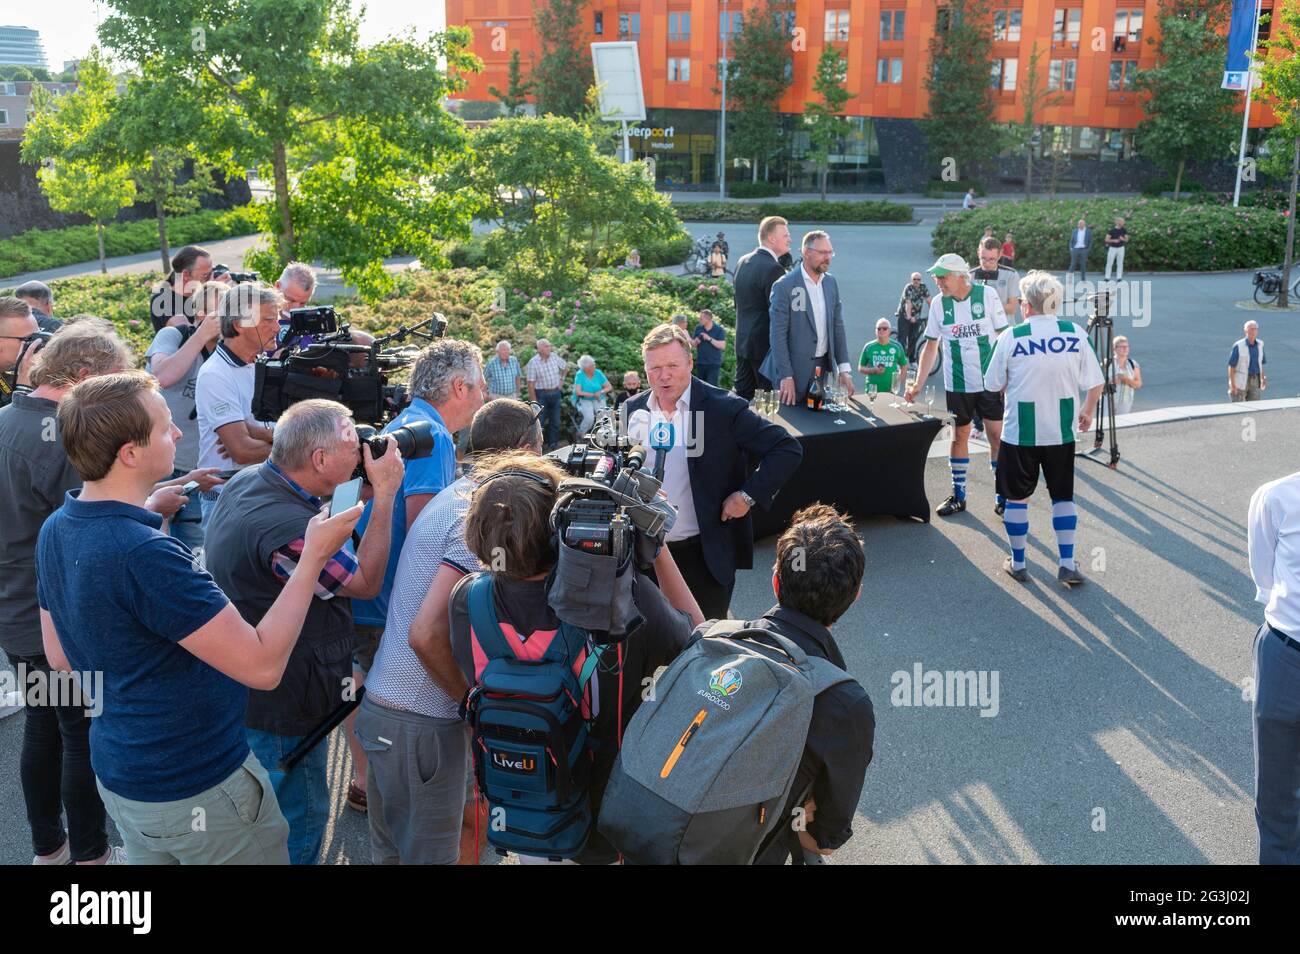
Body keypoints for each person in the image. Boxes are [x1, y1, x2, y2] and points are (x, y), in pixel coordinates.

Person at [37, 370, 365, 865]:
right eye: (166, 425)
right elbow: (261, 667)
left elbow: (61, 657)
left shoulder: (58, 527)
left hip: (124, 776)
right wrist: (314, 556)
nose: (176, 434)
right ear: (130, 453)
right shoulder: (147, 556)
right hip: (199, 785)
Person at [448, 451, 704, 864]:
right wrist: (651, 548)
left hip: (525, 805)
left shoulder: (467, 600)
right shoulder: (616, 598)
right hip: (601, 812)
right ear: (560, 528)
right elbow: (698, 637)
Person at [204, 399, 405, 864]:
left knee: (260, 816)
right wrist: (388, 494)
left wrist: (357, 491)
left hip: (245, 687)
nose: (363, 455)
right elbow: (365, 582)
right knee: (300, 820)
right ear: (318, 459)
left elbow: (317, 513)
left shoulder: (251, 481)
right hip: (287, 703)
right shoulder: (289, 529)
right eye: (353, 446)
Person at [357, 398, 546, 865]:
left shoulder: (458, 494)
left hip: (392, 711)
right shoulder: (479, 514)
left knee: (396, 854)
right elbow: (426, 634)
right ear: (524, 450)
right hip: (420, 721)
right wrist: (473, 703)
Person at [1, 325, 137, 866]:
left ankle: (49, 849)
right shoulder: (60, 438)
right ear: (83, 376)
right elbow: (91, 527)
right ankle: (91, 856)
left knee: (45, 726)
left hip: (15, 615)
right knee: (78, 734)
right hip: (53, 618)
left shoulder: (9, 420)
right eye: (112, 386)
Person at [348, 340, 484, 811]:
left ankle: (371, 788)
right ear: (459, 386)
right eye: (480, 384)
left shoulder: (406, 422)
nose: (484, 394)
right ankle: (398, 798)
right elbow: (428, 533)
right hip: (392, 600)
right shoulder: (433, 435)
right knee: (404, 700)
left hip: (371, 591)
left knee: (367, 683)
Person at [625, 323, 802, 619]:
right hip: (644, 556)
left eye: (672, 365)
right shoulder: (631, 410)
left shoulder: (724, 408)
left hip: (702, 556)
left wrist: (746, 497)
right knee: (649, 649)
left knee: (704, 646)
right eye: (654, 368)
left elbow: (786, 448)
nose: (663, 375)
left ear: (690, 363)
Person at [742, 503, 874, 865]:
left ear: (775, 582)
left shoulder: (716, 640)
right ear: (856, 594)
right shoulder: (843, 703)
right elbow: (822, 842)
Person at [983, 271, 1104, 587]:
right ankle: (1066, 564)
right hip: (1060, 432)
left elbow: (992, 383)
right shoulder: (1074, 333)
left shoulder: (1012, 336)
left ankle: (1019, 562)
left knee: (1016, 499)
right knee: (1062, 497)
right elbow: (1096, 381)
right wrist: (1087, 411)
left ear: (1026, 305)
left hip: (1019, 432)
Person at [904, 254, 1009, 517]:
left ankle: (1002, 492)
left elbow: (1005, 338)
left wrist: (1009, 377)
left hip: (990, 381)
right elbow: (931, 346)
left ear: (961, 276)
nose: (938, 281)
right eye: (936, 276)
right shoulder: (939, 304)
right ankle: (959, 494)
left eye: (943, 276)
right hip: (958, 383)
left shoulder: (987, 295)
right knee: (959, 435)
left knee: (996, 436)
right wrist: (918, 383)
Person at [144, 280, 226, 550]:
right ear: (199, 314)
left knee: (197, 551)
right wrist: (201, 336)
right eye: (216, 313)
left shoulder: (230, 351)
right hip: (162, 464)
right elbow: (163, 376)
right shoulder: (173, 336)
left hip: (200, 467)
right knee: (156, 543)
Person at [194, 282, 281, 531]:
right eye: (268, 320)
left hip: (261, 494)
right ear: (239, 324)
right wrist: (296, 448)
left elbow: (263, 437)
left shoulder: (261, 365)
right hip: (228, 501)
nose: (277, 328)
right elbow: (242, 451)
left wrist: (262, 434)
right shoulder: (215, 374)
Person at [1246, 468, 1300, 864]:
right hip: (1285, 653)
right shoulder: (1276, 497)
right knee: (1277, 800)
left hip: (1286, 651)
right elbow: (1263, 577)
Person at [763, 230, 856, 406]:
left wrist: (844, 370)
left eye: (830, 252)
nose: (828, 257)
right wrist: (786, 375)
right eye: (823, 253)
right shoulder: (784, 286)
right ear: (806, 252)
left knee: (819, 423)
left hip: (822, 370)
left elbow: (837, 327)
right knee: (793, 428)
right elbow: (777, 335)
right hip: (792, 372)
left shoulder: (830, 283)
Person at [732, 215, 790, 399]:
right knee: (767, 405)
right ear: (771, 238)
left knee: (742, 398)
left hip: (742, 343)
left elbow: (737, 304)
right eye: (786, 235)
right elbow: (778, 316)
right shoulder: (774, 269)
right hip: (763, 350)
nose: (790, 239)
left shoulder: (742, 261)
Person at [149, 245, 213, 330]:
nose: (210, 278)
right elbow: (185, 332)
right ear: (186, 275)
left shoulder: (199, 295)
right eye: (205, 275)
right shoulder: (163, 300)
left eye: (212, 272)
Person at [525, 338, 567, 449]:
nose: (549, 348)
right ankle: (538, 446)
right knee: (539, 422)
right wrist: (534, 402)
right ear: (539, 349)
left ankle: (553, 444)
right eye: (546, 346)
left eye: (549, 346)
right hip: (541, 395)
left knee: (556, 421)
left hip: (556, 393)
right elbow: (530, 384)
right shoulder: (533, 362)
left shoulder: (554, 357)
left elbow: (565, 367)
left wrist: (561, 380)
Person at [0, 297, 43, 406]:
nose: (37, 343)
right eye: (28, 339)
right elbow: (9, 423)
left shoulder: (15, 367)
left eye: (39, 334)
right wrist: (24, 388)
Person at [972, 236, 1021, 324]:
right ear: (978, 253)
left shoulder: (1010, 275)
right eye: (983, 258)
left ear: (1000, 255)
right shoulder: (970, 275)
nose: (987, 263)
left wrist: (983, 306)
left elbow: (1012, 309)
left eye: (992, 259)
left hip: (1004, 330)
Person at [859, 318, 908, 395]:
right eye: (879, 329)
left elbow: (904, 366)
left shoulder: (897, 346)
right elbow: (860, 368)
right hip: (872, 390)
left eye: (884, 328)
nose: (881, 331)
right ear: (875, 331)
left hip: (890, 392)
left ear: (889, 331)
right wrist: (873, 370)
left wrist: (897, 384)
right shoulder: (869, 347)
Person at [572, 354, 612, 436]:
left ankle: (605, 436)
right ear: (586, 368)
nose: (594, 366)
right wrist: (593, 394)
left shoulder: (598, 373)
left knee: (604, 417)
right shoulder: (580, 375)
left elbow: (609, 387)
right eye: (592, 365)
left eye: (594, 364)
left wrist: (600, 392)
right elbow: (578, 392)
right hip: (583, 399)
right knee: (589, 418)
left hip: (599, 398)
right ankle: (581, 434)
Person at [896, 272, 931, 365]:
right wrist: (909, 317)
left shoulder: (923, 287)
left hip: (916, 317)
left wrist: (934, 313)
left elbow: (928, 300)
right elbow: (908, 303)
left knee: (913, 338)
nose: (916, 281)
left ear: (921, 280)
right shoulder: (908, 288)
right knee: (902, 339)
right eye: (914, 279)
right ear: (911, 280)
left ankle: (912, 361)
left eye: (918, 279)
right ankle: (900, 362)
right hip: (904, 315)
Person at [1229, 321, 1267, 402]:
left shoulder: (1260, 344)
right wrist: (1232, 385)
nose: (1253, 331)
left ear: (1257, 331)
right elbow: (1231, 366)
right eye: (1250, 329)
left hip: (1255, 380)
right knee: (1238, 405)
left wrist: (1263, 378)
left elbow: (1260, 363)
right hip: (1240, 380)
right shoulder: (1238, 345)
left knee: (1254, 405)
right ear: (1245, 331)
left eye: (1255, 329)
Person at [692, 308, 727, 386]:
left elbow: (722, 345)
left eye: (701, 318)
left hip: (713, 363)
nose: (699, 320)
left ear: (708, 319)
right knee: (700, 387)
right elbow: (693, 344)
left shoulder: (719, 329)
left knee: (711, 387)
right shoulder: (698, 328)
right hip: (700, 362)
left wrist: (709, 339)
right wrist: (696, 341)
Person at [1110, 335, 1141, 415]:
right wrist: (1113, 380)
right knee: (1106, 423)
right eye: (1122, 346)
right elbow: (1099, 383)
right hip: (1108, 401)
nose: (1125, 349)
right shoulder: (1108, 363)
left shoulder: (1133, 364)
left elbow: (1138, 384)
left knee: (1121, 425)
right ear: (1114, 348)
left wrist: (1125, 379)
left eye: (1127, 346)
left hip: (1126, 402)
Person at [1067, 218, 1092, 283]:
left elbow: (1090, 241)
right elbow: (1071, 241)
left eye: (1081, 224)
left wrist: (1087, 250)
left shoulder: (1088, 231)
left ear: (1084, 224)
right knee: (1073, 264)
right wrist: (1071, 248)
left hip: (1084, 250)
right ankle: (1069, 280)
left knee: (1083, 265)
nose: (1079, 225)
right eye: (1079, 224)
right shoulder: (1075, 231)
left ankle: (1083, 279)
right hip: (1075, 249)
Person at [1104, 216, 1129, 281]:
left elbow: (1126, 240)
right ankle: (1107, 277)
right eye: (1122, 221)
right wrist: (1113, 240)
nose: (1123, 223)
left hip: (1121, 248)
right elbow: (1106, 239)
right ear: (1118, 222)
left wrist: (1122, 239)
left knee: (1120, 263)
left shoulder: (1124, 230)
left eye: (1123, 222)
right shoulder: (1112, 230)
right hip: (1112, 248)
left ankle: (1119, 277)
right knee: (1109, 263)